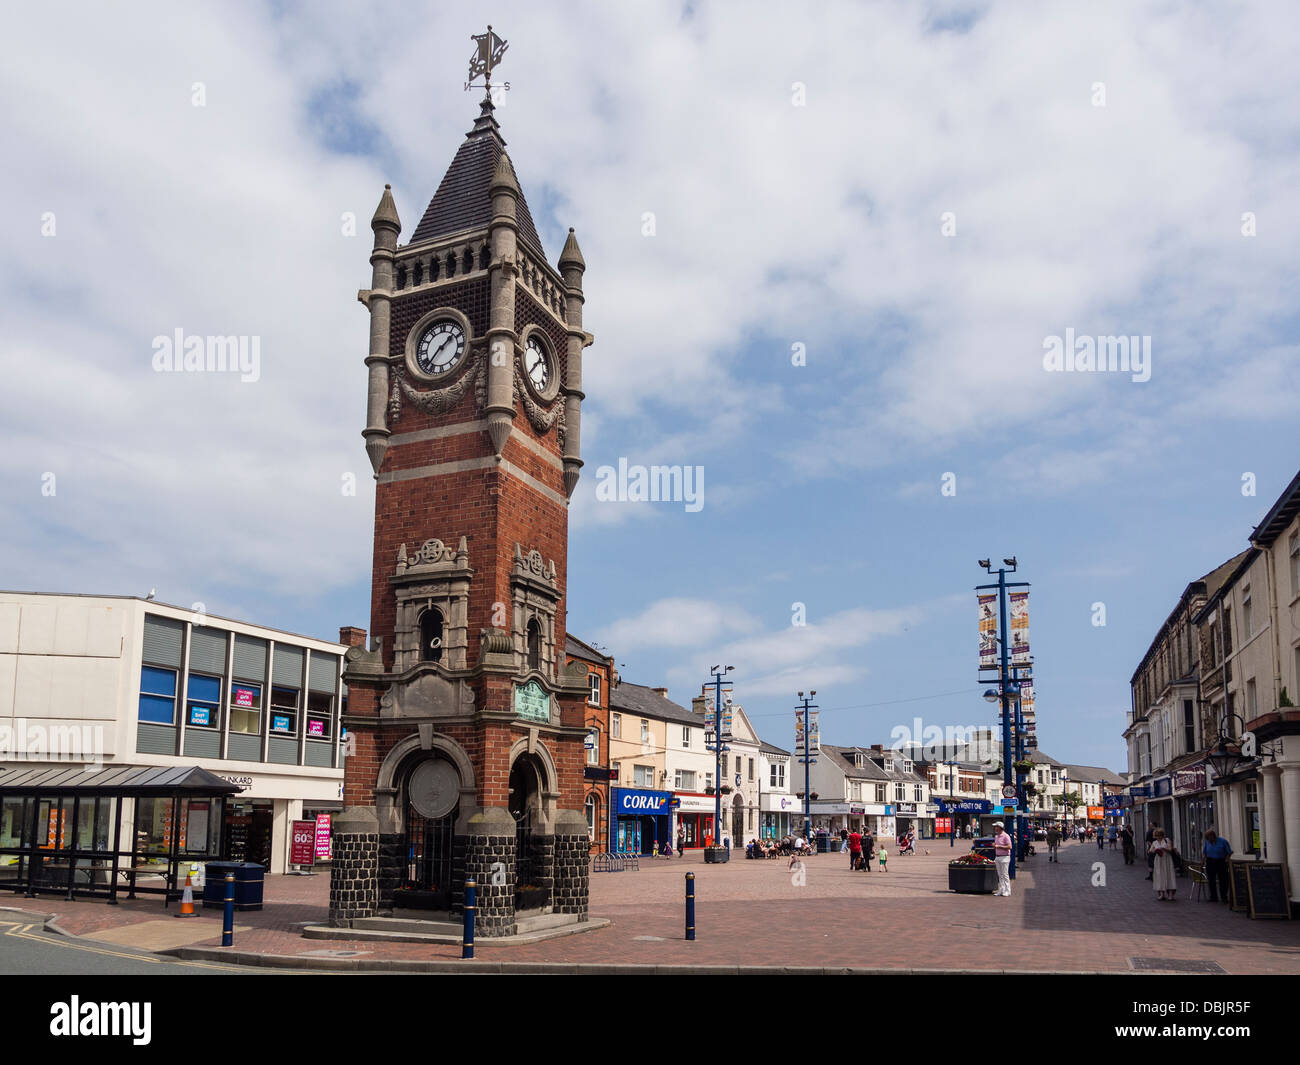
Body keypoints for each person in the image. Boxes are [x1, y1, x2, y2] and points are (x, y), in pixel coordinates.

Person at [1202, 828, 1233, 903]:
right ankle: (1213, 897)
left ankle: (1224, 897)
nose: (1209, 841)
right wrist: (1203, 860)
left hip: (1221, 861)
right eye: (1207, 839)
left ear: (1213, 836)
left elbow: (1229, 852)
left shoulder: (1223, 841)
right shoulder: (1207, 842)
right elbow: (1205, 852)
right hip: (1210, 861)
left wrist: (1227, 859)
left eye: (1209, 838)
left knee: (1223, 880)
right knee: (1211, 880)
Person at [1149, 827, 1177, 901]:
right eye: (1157, 835)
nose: (1159, 837)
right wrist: (1155, 850)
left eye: (1160, 835)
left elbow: (1170, 849)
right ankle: (1162, 894)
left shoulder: (1167, 840)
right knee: (1159, 876)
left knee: (1169, 875)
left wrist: (1163, 849)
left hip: (1167, 860)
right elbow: (1150, 851)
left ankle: (1171, 894)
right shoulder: (1154, 842)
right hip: (1159, 861)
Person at [992, 820, 1013, 896]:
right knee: (1000, 875)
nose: (995, 828)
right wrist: (995, 846)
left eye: (996, 826)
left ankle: (1008, 890)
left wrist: (998, 846)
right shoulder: (996, 836)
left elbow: (1010, 847)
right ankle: (1001, 889)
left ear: (1000, 828)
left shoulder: (1006, 836)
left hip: (1005, 857)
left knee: (1005, 874)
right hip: (997, 857)